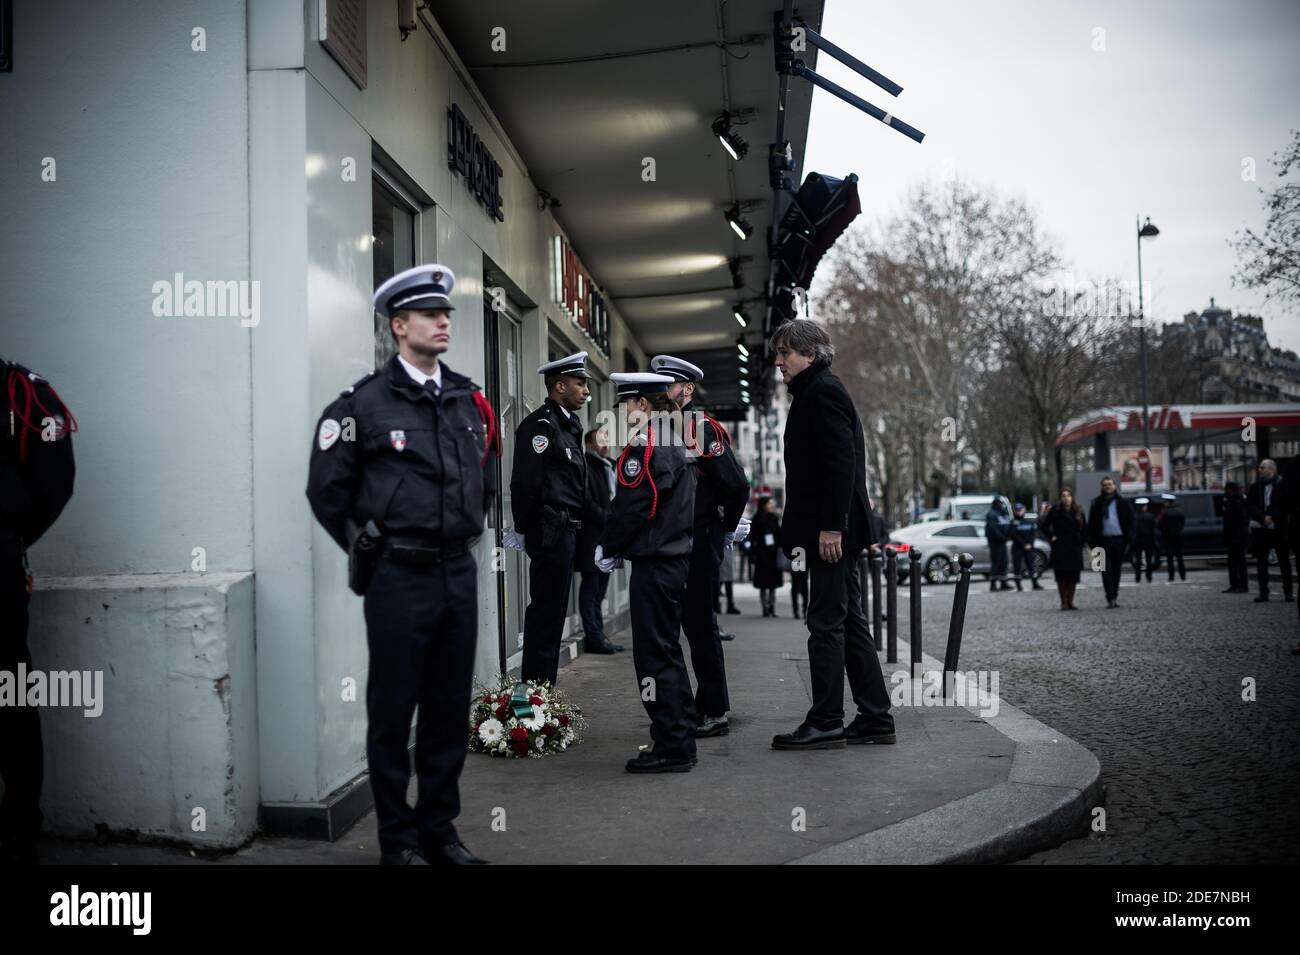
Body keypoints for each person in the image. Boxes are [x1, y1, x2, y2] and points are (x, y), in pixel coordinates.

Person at [306, 264, 499, 865]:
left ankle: (441, 831)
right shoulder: (362, 405)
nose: (444, 321)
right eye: (429, 314)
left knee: (447, 710)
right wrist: (368, 549)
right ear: (398, 325)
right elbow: (326, 493)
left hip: (457, 573)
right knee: (393, 713)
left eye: (446, 313)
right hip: (397, 576)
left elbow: (486, 479)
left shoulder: (470, 399)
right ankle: (398, 841)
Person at [770, 319, 895, 750]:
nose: (778, 362)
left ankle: (826, 719)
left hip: (830, 535)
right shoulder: (816, 391)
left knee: (825, 623)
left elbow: (841, 465)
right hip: (833, 531)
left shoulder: (822, 392)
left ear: (810, 354)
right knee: (850, 622)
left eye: (785, 353)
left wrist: (831, 527)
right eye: (779, 353)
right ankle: (876, 716)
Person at [596, 373, 698, 773]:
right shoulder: (674, 438)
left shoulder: (647, 442)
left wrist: (609, 545)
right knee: (668, 650)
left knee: (654, 655)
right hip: (672, 559)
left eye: (623, 406)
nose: (621, 413)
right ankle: (680, 734)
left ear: (640, 404)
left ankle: (672, 745)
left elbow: (634, 504)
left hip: (656, 562)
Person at [650, 355, 749, 739]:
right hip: (677, 539)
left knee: (700, 626)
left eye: (669, 385)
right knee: (681, 626)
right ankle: (696, 705)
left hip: (700, 538)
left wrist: (724, 528)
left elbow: (735, 484)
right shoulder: (668, 426)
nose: (662, 391)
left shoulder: (696, 427)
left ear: (687, 389)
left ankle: (714, 710)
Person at [1, 358, 76, 865]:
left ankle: (18, 829)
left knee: (8, 703)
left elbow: (52, 482)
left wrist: (9, 535)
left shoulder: (19, 391)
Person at [511, 352, 591, 685]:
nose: (586, 390)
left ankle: (545, 694)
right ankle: (534, 697)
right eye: (580, 383)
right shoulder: (541, 425)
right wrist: (522, 527)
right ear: (559, 386)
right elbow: (526, 481)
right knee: (545, 615)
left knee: (555, 614)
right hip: (549, 530)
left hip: (566, 530)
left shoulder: (567, 425)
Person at [575, 427, 623, 654]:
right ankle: (594, 637)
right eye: (601, 441)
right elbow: (585, 500)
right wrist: (608, 518)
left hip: (608, 537)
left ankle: (600, 634)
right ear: (590, 444)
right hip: (592, 536)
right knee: (591, 588)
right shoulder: (585, 465)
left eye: (607, 440)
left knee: (601, 590)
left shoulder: (611, 466)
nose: (606, 445)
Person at [1246, 458, 1292, 603]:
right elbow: (1250, 505)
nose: (1259, 470)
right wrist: (1262, 517)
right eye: (1259, 468)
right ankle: (1263, 592)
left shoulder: (1282, 484)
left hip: (1278, 527)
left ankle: (1288, 592)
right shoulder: (1255, 487)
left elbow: (1285, 505)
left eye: (1262, 467)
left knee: (1284, 561)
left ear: (1272, 469)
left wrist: (1272, 516)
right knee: (1262, 562)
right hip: (1261, 528)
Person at [1087, 475, 1135, 608]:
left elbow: (1131, 521)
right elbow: (1091, 524)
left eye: (1110, 484)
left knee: (1116, 569)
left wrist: (1128, 539)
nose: (1108, 487)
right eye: (1105, 485)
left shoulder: (1123, 502)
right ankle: (1110, 597)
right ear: (1102, 487)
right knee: (1104, 569)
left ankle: (1115, 594)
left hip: (1119, 540)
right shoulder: (1096, 503)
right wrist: (1091, 543)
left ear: (1114, 486)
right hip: (1101, 541)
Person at [1039, 488, 1086, 610]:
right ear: (1061, 498)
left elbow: (1084, 527)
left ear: (1072, 497)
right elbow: (1044, 526)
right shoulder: (1055, 510)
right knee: (1061, 575)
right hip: (1060, 545)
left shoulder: (1078, 510)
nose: (1066, 498)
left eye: (1068, 495)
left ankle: (1070, 600)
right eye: (1063, 496)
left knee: (1074, 575)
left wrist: (1082, 540)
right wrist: (1052, 537)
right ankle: (1063, 602)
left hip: (1074, 545)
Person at [751, 497, 784, 616]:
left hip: (773, 555)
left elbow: (779, 535)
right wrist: (754, 554)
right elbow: (753, 537)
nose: (772, 505)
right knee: (763, 584)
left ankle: (772, 607)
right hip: (761, 555)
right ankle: (764, 607)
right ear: (764, 505)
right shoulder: (757, 519)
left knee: (773, 584)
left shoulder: (774, 518)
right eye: (770, 503)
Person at [1221, 481, 1251, 593]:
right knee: (1232, 562)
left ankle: (1243, 585)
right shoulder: (1229, 502)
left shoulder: (1238, 502)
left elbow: (1242, 521)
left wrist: (1238, 536)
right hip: (1232, 536)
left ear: (1231, 490)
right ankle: (1234, 584)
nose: (1225, 492)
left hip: (1238, 537)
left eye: (1227, 490)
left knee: (1240, 562)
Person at [1008, 502, 1044, 590]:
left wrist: (1030, 544)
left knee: (1031, 565)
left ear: (1024, 510)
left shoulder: (1029, 521)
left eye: (1021, 510)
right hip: (1018, 547)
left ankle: (1035, 583)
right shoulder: (1013, 522)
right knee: (1017, 567)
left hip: (1028, 547)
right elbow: (1014, 535)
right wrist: (1024, 545)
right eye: (1017, 510)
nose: (1019, 512)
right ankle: (1018, 585)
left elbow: (1032, 534)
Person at [1157, 492, 1187, 582]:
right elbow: (1182, 523)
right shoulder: (1180, 511)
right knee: (1179, 557)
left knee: (1170, 558)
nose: (1163, 503)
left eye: (1165, 502)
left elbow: (1159, 523)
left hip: (1167, 537)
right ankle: (1183, 575)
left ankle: (1171, 576)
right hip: (1178, 536)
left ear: (1167, 502)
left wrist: (1163, 531)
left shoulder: (1164, 512)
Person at [985, 497, 1012, 591]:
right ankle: (993, 584)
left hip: (1002, 542)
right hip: (995, 543)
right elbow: (993, 529)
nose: (1002, 505)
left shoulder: (1002, 513)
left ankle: (1003, 582)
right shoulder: (992, 514)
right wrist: (1002, 537)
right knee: (996, 563)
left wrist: (1007, 536)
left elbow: (1007, 524)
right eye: (1000, 504)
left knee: (1003, 562)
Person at [1131, 498, 1158, 583]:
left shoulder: (1134, 517)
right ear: (1144, 507)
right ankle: (1149, 577)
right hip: (1148, 540)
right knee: (1149, 559)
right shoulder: (1150, 516)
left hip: (1137, 540)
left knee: (1138, 560)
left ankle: (1137, 577)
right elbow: (1154, 528)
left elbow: (1132, 529)